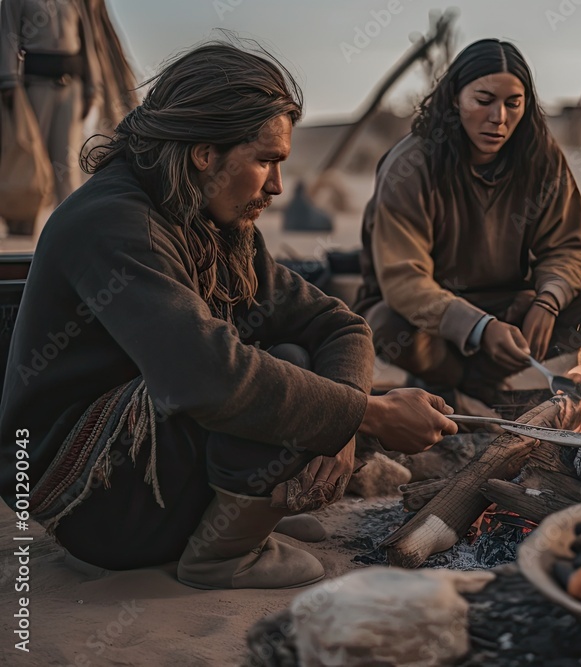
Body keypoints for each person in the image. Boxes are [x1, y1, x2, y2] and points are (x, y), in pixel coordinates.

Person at [0, 41, 457, 590]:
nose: (278, 185)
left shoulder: (209, 219)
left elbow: (337, 324)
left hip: (144, 470)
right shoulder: (114, 223)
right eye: (266, 160)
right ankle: (224, 553)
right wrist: (369, 414)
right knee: (258, 369)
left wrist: (340, 429)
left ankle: (240, 521)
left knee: (300, 359)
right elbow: (207, 378)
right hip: (89, 501)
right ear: (204, 153)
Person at [355, 39, 581, 405]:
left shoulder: (541, 158)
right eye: (483, 100)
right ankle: (457, 382)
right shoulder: (411, 165)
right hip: (429, 319)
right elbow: (404, 280)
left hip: (509, 308)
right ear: (454, 99)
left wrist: (548, 300)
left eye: (513, 103)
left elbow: (568, 246)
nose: (499, 118)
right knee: (386, 325)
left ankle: (472, 386)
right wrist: (478, 327)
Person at [0, 0, 138, 235]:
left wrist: (92, 88)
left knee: (66, 162)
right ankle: (23, 224)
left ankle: (70, 229)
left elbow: (88, 41)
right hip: (34, 87)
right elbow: (7, 35)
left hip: (71, 88)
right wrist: (9, 81)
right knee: (32, 158)